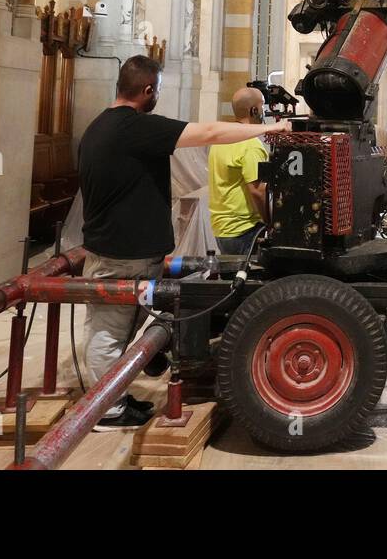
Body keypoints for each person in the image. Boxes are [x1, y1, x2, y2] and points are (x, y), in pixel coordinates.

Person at [77, 55, 288, 429]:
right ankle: (105, 412)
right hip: (121, 253)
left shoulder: (102, 127)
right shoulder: (134, 128)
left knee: (121, 330)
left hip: (127, 250)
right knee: (109, 331)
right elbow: (208, 133)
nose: (157, 96)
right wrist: (270, 129)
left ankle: (116, 399)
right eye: (156, 90)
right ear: (146, 91)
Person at [208, 86, 271, 254]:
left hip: (222, 228)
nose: (264, 112)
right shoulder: (250, 144)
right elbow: (257, 191)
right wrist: (270, 223)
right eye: (263, 106)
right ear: (254, 110)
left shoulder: (222, 139)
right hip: (245, 229)